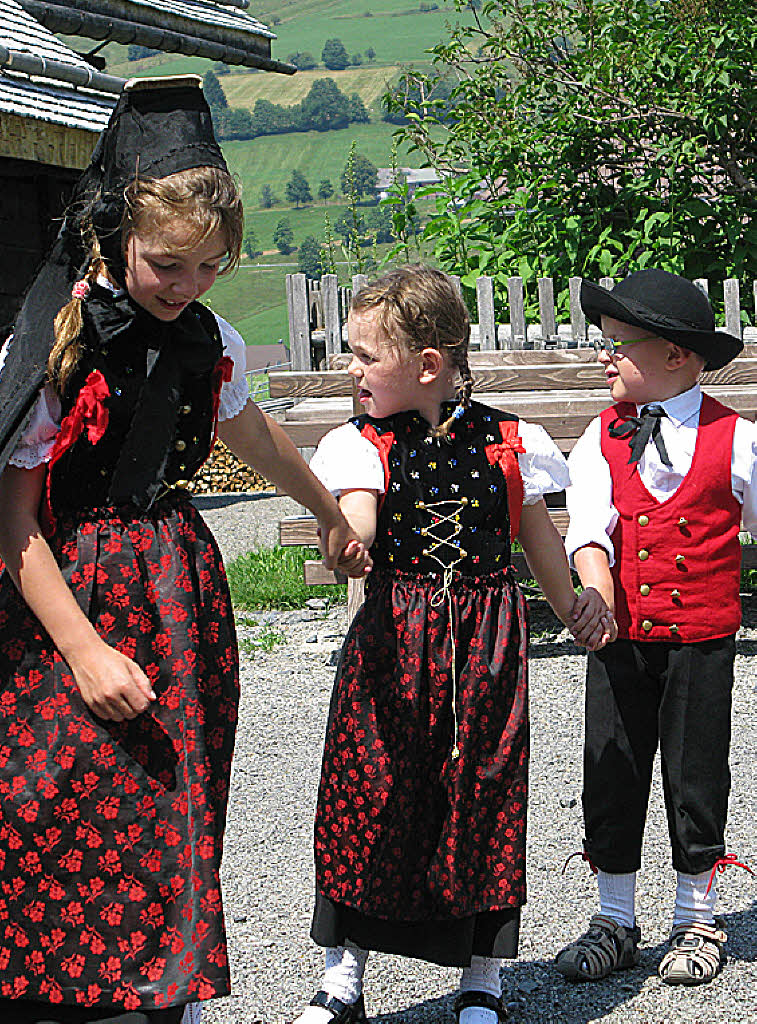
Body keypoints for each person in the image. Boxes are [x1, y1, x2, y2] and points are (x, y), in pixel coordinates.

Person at [0, 76, 366, 1024]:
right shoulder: (56, 345)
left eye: (211, 266)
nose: (191, 284)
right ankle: (53, 997)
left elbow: (252, 433)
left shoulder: (212, 339)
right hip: (65, 592)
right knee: (56, 804)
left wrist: (326, 508)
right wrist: (81, 649)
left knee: (172, 797)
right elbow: (14, 521)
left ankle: (168, 993)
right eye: (171, 263)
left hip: (174, 586)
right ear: (115, 233)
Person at [294, 264, 614, 1024]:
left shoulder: (510, 439)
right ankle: (344, 977)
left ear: (427, 365)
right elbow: (360, 523)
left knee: (481, 787)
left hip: (485, 639)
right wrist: (347, 545)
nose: (352, 369)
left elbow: (538, 538)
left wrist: (574, 607)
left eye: (366, 356)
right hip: (394, 640)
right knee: (367, 789)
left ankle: (483, 978)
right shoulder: (358, 444)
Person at [556, 268, 756, 987]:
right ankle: (613, 917)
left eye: (617, 344)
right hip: (618, 641)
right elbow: (588, 531)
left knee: (694, 771)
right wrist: (595, 592)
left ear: (675, 355)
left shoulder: (735, 440)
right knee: (610, 768)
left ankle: (694, 916)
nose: (601, 356)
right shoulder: (599, 435)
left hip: (701, 642)